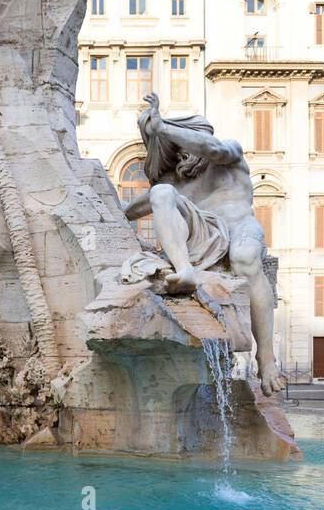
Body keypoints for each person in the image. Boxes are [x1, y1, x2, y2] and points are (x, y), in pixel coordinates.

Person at [120, 93, 285, 395]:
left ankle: (266, 357)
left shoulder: (227, 154)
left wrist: (164, 129)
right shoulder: (176, 182)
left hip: (239, 228)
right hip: (204, 236)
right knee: (161, 194)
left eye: (185, 148)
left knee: (245, 257)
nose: (183, 157)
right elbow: (133, 209)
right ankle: (185, 271)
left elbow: (211, 148)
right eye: (177, 153)